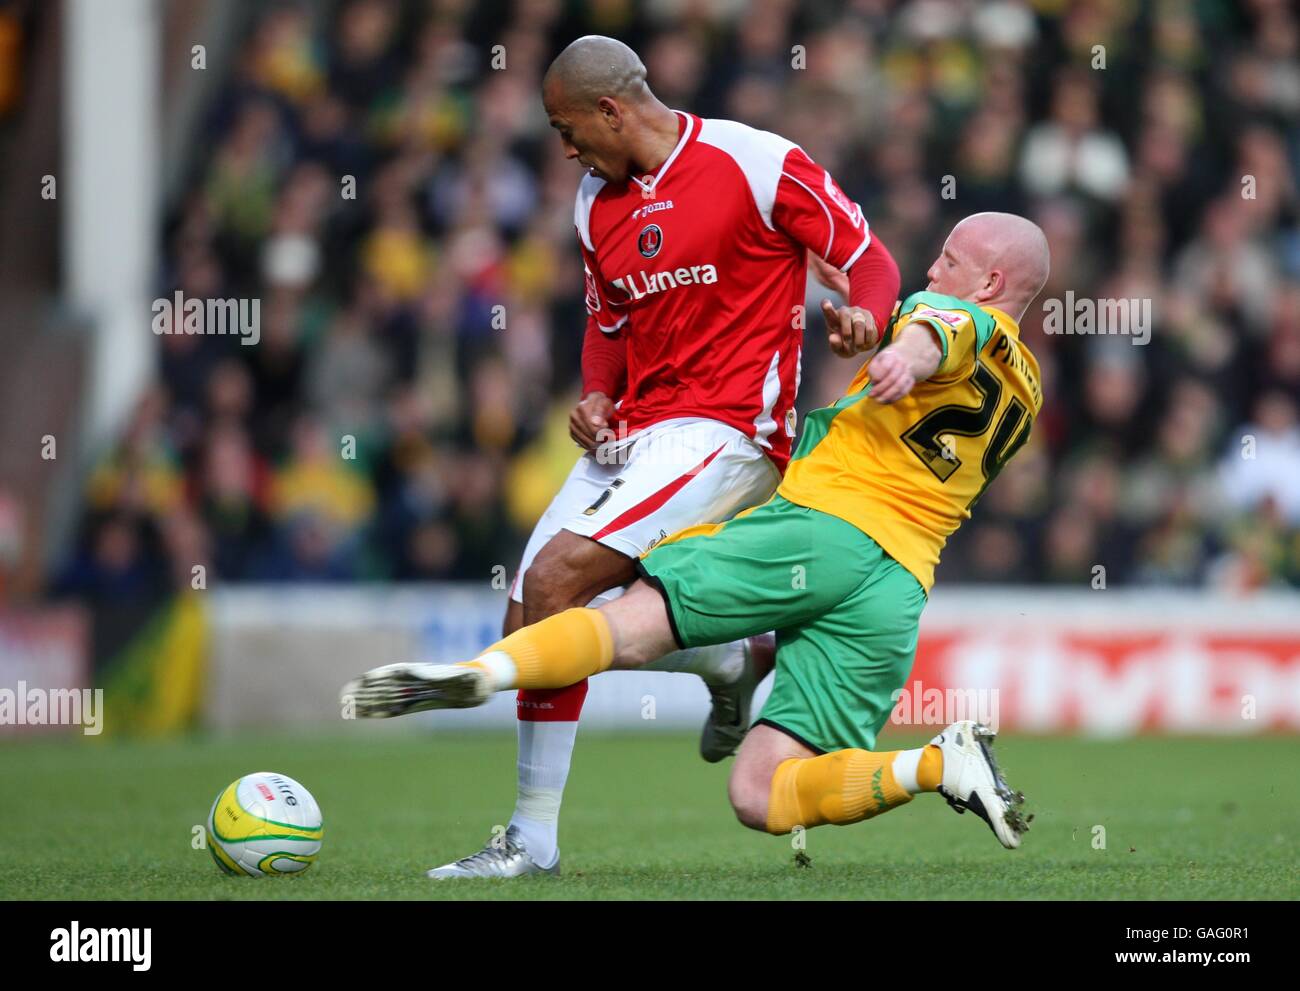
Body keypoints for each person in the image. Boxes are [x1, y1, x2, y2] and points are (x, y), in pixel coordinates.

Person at [345, 211, 1050, 852]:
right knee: (761, 794)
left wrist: (904, 354)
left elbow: (937, 334)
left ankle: (479, 673)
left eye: (950, 260)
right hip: (895, 588)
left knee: (629, 624)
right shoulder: (1029, 386)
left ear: (988, 280)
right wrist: (882, 332)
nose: (933, 269)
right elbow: (947, 354)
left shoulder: (950, 317)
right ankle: (937, 763)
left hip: (822, 530)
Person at [404, 35, 901, 877]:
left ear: (611, 109)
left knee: (560, 583)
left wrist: (869, 321)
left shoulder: (756, 161)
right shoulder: (593, 198)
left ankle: (530, 838)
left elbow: (870, 263)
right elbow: (608, 325)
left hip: (737, 428)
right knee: (528, 613)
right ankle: (727, 660)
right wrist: (596, 395)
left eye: (567, 127)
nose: (564, 148)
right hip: (638, 429)